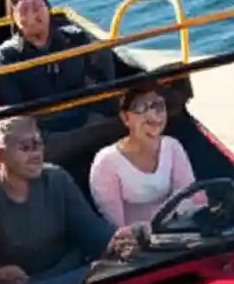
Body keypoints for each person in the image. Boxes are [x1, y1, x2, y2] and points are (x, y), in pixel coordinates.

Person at [0, 116, 138, 284]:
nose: (36, 154)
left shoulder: (57, 178)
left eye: (38, 144)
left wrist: (119, 241)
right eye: (25, 148)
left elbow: (92, 232)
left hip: (75, 282)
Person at [0, 0, 116, 134]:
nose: (32, 16)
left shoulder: (75, 38)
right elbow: (14, 105)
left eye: (36, 8)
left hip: (84, 118)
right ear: (13, 18)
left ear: (48, 9)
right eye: (24, 11)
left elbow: (98, 77)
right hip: (41, 131)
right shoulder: (7, 55)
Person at [88, 83, 205, 227]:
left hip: (180, 232)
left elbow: (191, 197)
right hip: (137, 238)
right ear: (125, 117)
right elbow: (116, 227)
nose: (152, 115)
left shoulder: (172, 147)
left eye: (159, 106)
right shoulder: (106, 162)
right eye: (140, 107)